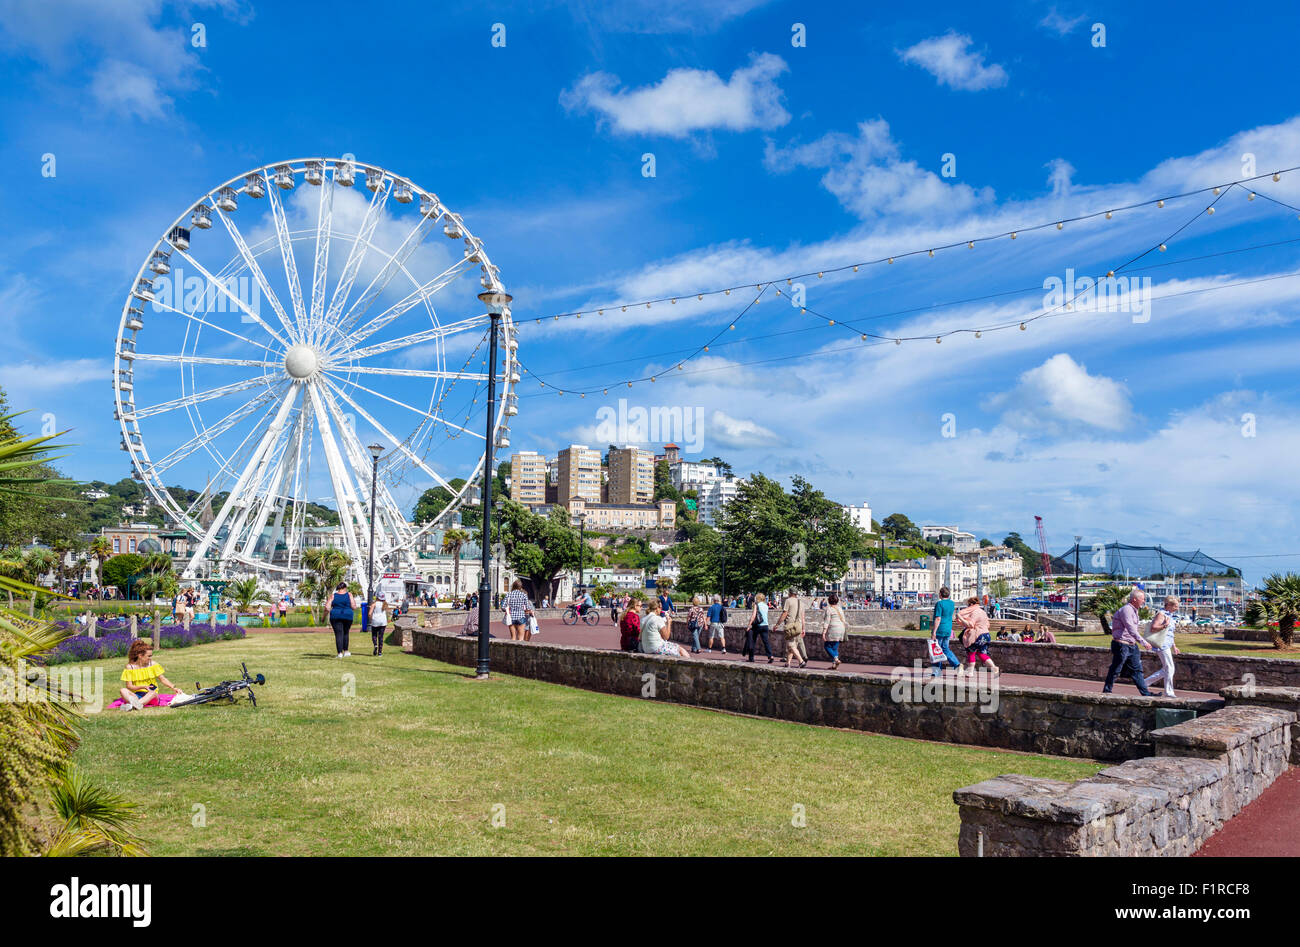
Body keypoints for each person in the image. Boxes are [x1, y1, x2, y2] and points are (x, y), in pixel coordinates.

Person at [1103, 589, 1152, 695]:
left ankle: (1146, 694)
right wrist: (1143, 642)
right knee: (1116, 668)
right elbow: (1131, 628)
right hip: (1122, 644)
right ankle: (1107, 691)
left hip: (1132, 645)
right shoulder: (1127, 610)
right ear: (1135, 599)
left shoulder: (1135, 611)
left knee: (1137, 670)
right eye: (1142, 599)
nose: (1144, 601)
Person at [118, 639, 179, 711]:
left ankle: (132, 706)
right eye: (149, 656)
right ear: (140, 656)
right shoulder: (130, 667)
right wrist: (143, 686)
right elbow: (129, 686)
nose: (150, 658)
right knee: (123, 690)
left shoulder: (153, 665)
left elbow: (163, 679)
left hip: (151, 695)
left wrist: (174, 687)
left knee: (152, 693)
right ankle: (137, 705)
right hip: (137, 695)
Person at [1143, 596, 1181, 697]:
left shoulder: (1170, 615)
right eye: (1175, 606)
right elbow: (1154, 627)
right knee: (1170, 667)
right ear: (1169, 605)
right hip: (1162, 644)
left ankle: (1144, 683)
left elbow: (1170, 633)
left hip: (1167, 643)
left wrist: (1174, 646)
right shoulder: (1161, 614)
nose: (1177, 608)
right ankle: (1168, 692)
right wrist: (1165, 625)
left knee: (1167, 669)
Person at [956, 596, 997, 674]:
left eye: (968, 605)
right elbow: (988, 624)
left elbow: (970, 624)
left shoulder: (974, 612)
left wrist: (960, 618)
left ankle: (970, 672)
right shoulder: (983, 612)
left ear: (971, 604)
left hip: (977, 636)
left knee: (971, 652)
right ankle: (994, 667)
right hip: (986, 635)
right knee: (981, 653)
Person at [930, 586, 961, 674]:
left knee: (936, 650)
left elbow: (938, 618)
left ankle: (936, 671)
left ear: (940, 594)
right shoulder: (952, 603)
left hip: (940, 629)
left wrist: (934, 632)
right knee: (945, 648)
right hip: (948, 629)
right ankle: (957, 664)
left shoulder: (939, 604)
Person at [777, 591, 807, 668]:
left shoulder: (788, 600)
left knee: (791, 645)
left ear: (790, 593)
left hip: (790, 626)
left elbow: (784, 614)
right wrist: (803, 628)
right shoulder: (801, 603)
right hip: (799, 626)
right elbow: (803, 618)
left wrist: (777, 624)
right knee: (792, 645)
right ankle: (788, 663)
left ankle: (801, 661)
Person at [329, 582, 358, 658]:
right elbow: (354, 606)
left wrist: (324, 617)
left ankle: (339, 653)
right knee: (346, 633)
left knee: (339, 634)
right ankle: (346, 651)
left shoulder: (333, 596)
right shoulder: (349, 595)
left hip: (335, 616)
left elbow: (327, 607)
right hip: (347, 616)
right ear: (345, 588)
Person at [743, 592, 774, 663]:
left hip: (758, 625)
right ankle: (770, 656)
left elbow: (754, 616)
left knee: (753, 640)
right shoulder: (766, 606)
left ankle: (751, 657)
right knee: (766, 641)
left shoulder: (757, 605)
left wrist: (749, 625)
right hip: (765, 625)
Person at [823, 592, 847, 670]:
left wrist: (824, 632)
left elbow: (827, 621)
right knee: (835, 647)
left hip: (833, 628)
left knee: (827, 646)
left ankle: (836, 659)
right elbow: (843, 620)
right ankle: (834, 665)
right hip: (841, 629)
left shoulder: (829, 609)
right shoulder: (840, 609)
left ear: (829, 601)